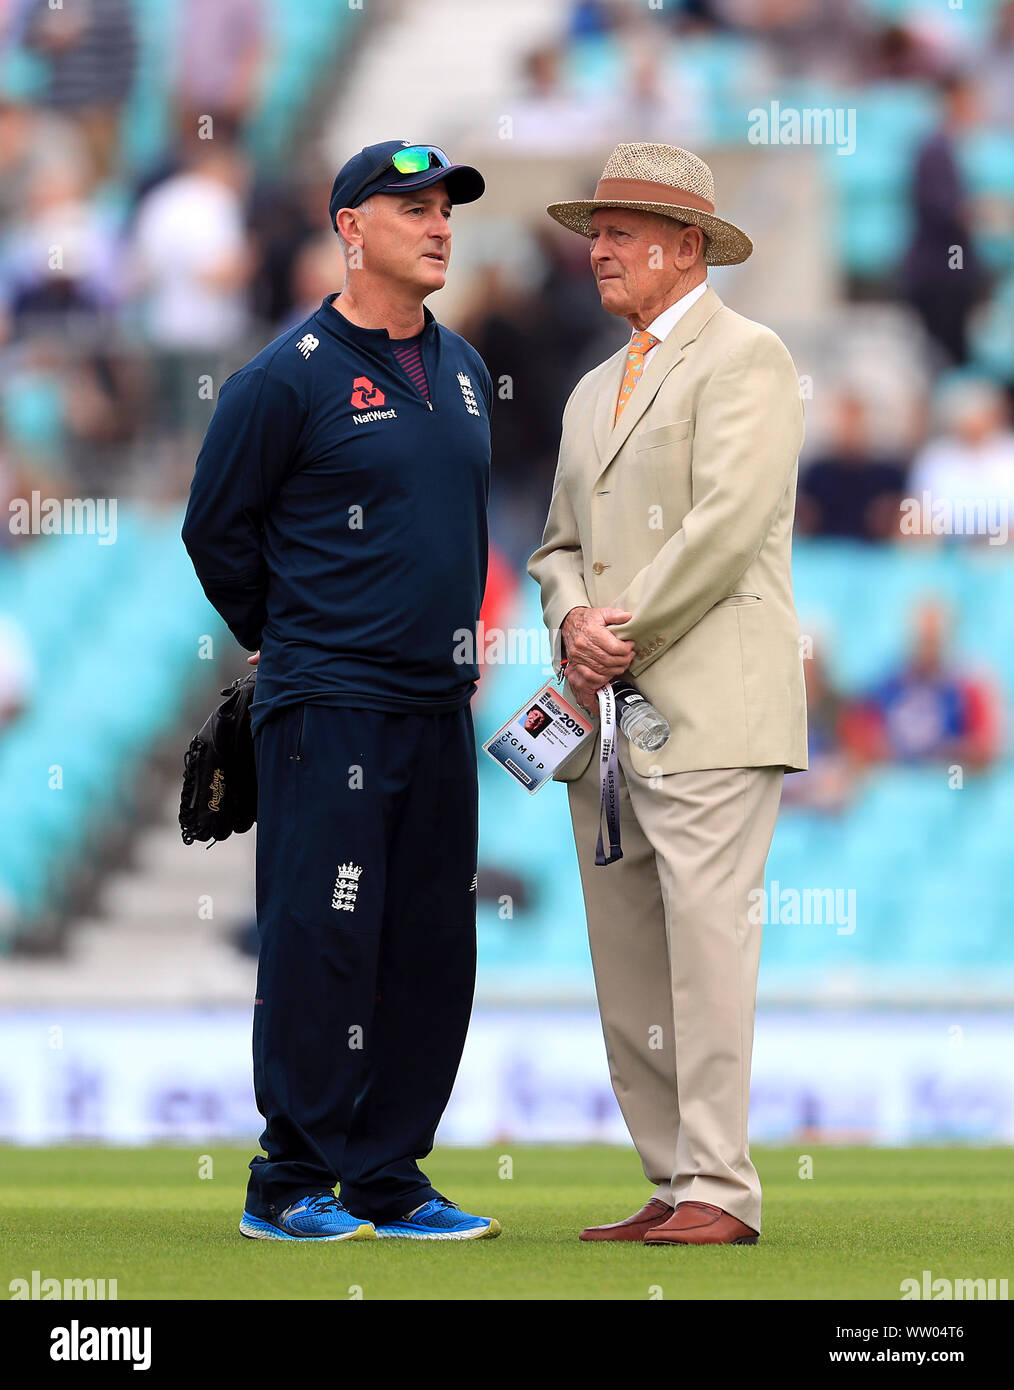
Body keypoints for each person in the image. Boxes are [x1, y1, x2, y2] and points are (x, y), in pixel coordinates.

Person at [183, 141, 501, 1242]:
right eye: (410, 206)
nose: (439, 224)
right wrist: (299, 641)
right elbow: (213, 529)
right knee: (327, 936)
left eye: (445, 208)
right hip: (331, 705)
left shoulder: (462, 367)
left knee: (427, 943)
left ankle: (387, 1173)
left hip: (436, 704)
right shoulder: (288, 376)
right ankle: (290, 1178)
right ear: (350, 228)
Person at [529, 143, 807, 1246]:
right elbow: (555, 544)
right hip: (609, 719)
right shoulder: (594, 387)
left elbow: (727, 527)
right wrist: (567, 619)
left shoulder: (752, 356)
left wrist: (609, 634)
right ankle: (670, 1175)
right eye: (593, 230)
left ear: (685, 246)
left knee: (706, 949)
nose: (597, 249)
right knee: (631, 956)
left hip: (709, 709)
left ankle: (720, 1190)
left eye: (619, 230)